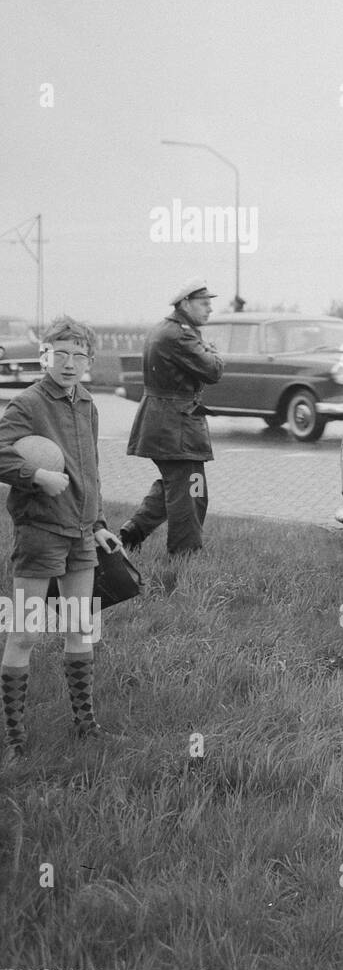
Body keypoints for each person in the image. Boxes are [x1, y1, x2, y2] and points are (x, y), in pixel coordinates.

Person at [0, 317, 123, 757]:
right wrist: (35, 477)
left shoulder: (88, 403)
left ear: (89, 360)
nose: (70, 363)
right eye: (61, 354)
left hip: (80, 534)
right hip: (41, 532)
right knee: (25, 632)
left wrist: (100, 524)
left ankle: (85, 725)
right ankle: (15, 739)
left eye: (79, 355)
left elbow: (90, 471)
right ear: (44, 356)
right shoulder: (29, 403)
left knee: (80, 627)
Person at [119, 280, 224, 556]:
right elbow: (213, 371)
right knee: (191, 492)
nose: (210, 309)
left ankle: (133, 531)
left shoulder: (166, 329)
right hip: (176, 425)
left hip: (166, 421)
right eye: (204, 303)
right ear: (185, 303)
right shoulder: (180, 335)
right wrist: (213, 351)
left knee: (176, 483)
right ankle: (184, 558)